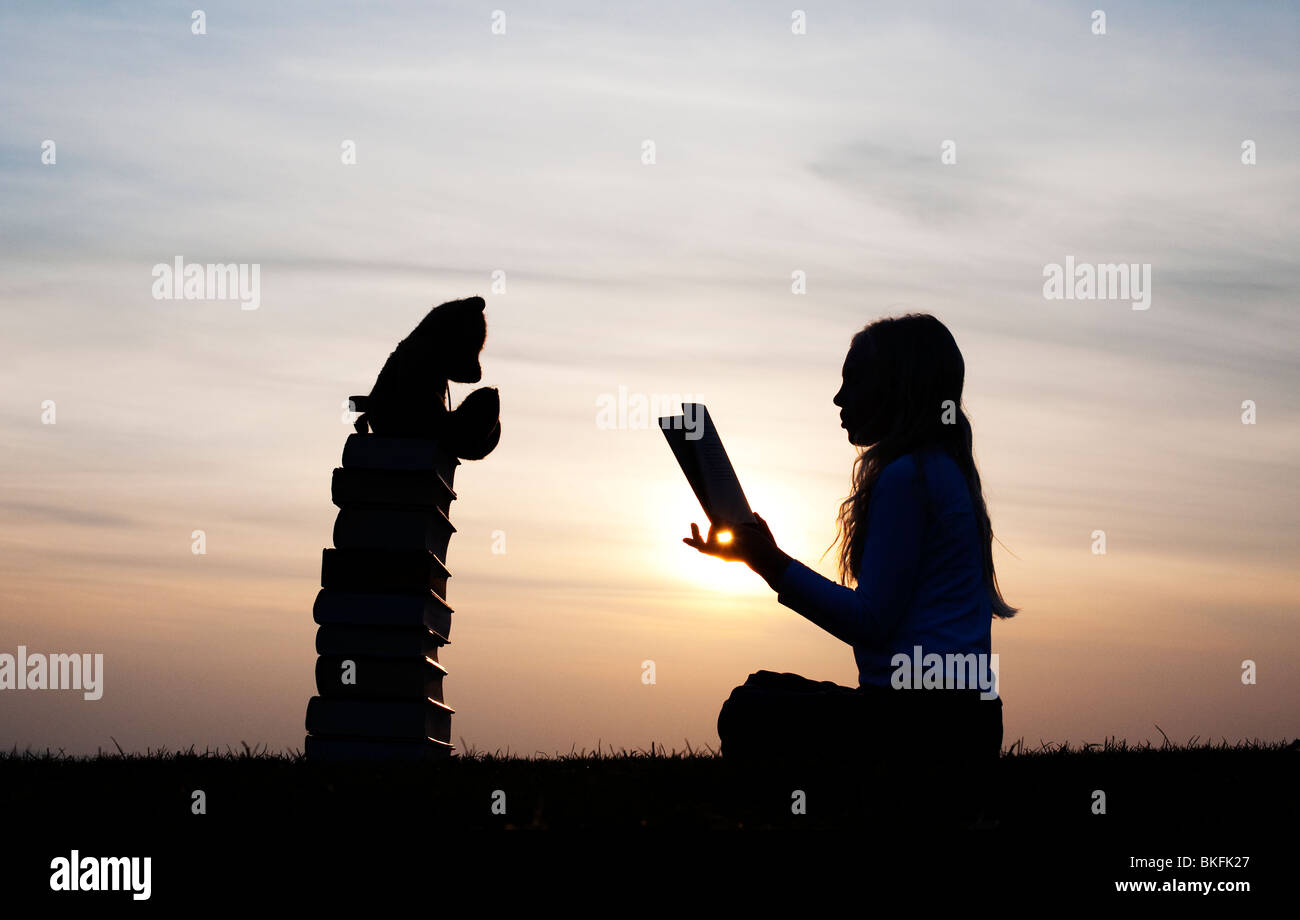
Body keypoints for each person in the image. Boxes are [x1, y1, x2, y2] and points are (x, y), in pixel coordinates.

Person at [683, 313, 1017, 821]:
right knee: (760, 691)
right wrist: (767, 559)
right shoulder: (940, 471)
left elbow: (870, 621)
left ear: (897, 386)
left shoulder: (909, 477)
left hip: (925, 728)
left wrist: (768, 564)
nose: (839, 399)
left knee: (748, 711)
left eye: (853, 380)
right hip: (960, 723)